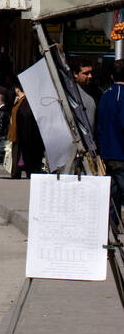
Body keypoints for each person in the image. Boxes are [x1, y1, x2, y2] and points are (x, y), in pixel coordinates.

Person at [97, 61, 124, 217]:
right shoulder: (121, 95)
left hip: (107, 153)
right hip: (120, 152)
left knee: (113, 196)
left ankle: (112, 229)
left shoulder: (105, 95)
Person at [13, 90, 45, 179]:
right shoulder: (34, 104)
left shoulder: (23, 104)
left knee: (30, 165)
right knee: (35, 164)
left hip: (26, 140)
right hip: (35, 139)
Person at [70, 59, 97, 134]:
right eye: (86, 73)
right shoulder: (70, 93)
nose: (90, 76)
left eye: (91, 72)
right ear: (75, 74)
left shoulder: (97, 92)